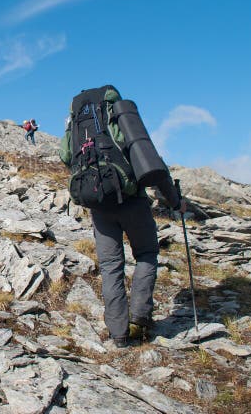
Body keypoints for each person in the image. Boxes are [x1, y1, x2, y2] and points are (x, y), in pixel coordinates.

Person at [59, 87, 186, 348]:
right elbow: (150, 162)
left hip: (99, 204)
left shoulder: (76, 124)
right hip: (132, 201)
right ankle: (139, 317)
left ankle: (118, 333)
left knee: (110, 267)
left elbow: (65, 156)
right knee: (147, 253)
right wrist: (175, 201)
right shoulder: (120, 117)